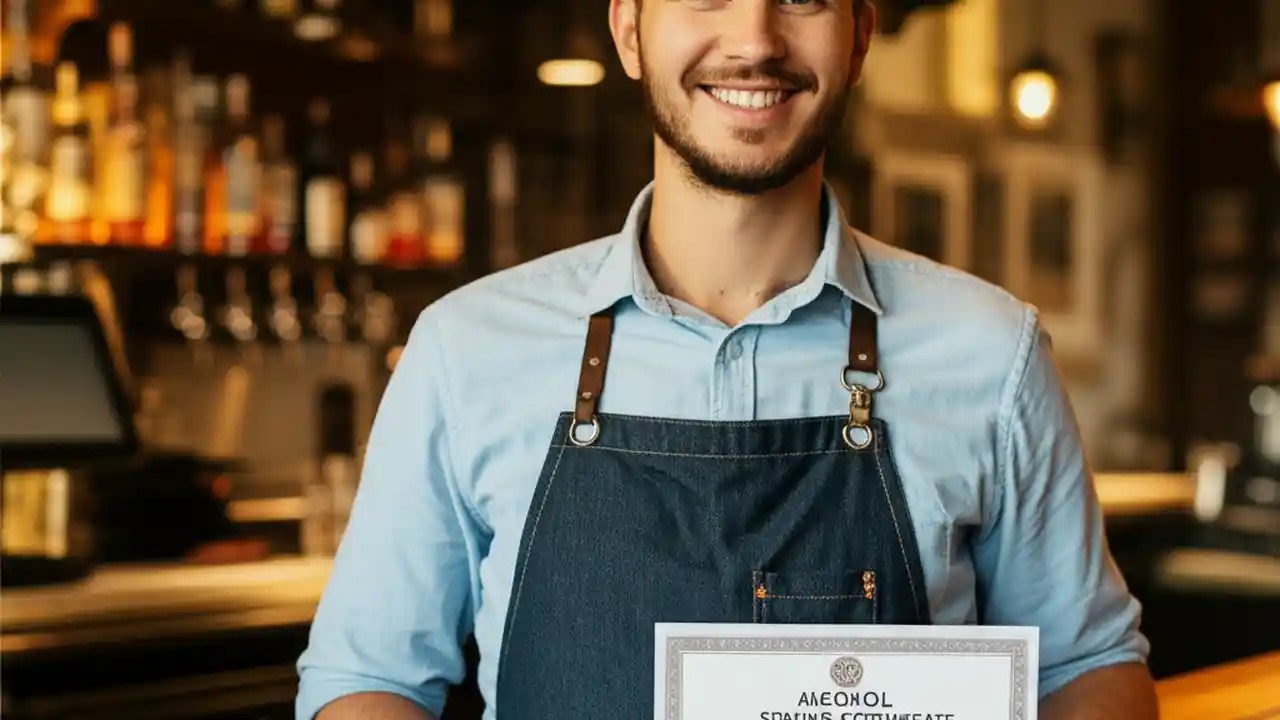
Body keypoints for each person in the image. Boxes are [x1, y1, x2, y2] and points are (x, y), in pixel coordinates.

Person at [296, 1, 1158, 718]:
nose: (755, 40)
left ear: (859, 35)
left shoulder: (990, 350)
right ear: (630, 29)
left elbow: (1090, 669)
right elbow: (365, 680)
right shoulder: (465, 349)